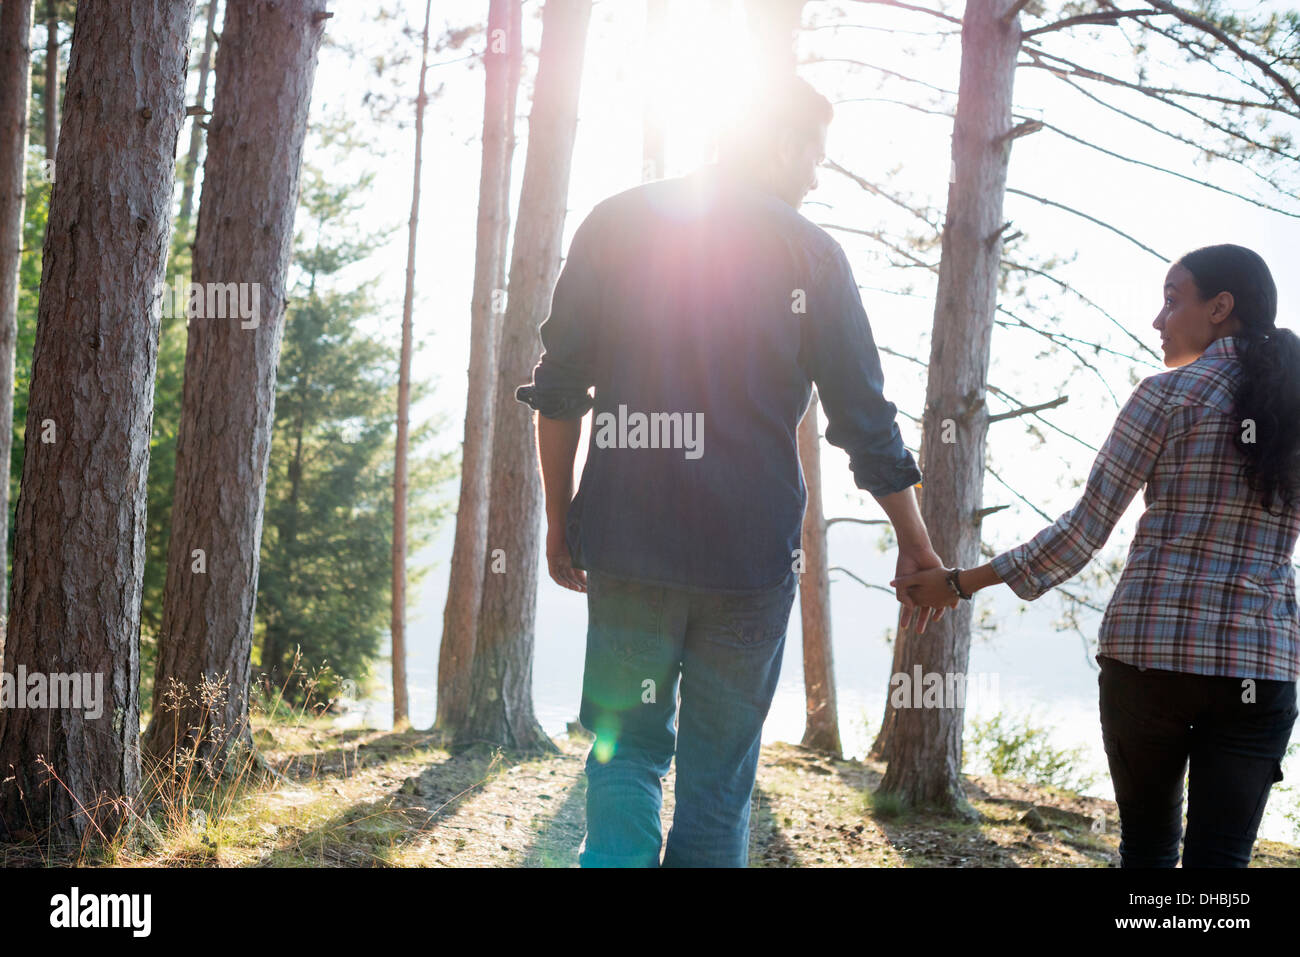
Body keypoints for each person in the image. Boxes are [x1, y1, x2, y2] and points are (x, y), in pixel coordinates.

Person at [515, 75, 943, 867]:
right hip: (750, 557)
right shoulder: (812, 255)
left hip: (629, 542)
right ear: (780, 144)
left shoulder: (617, 222)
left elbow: (560, 387)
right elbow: (865, 418)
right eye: (813, 155)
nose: (815, 176)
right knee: (717, 784)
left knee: (626, 748)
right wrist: (915, 542)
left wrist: (560, 516)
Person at [893, 244, 1300, 868]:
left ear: (1222, 307)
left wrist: (960, 583)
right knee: (1221, 865)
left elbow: (1084, 531)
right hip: (1258, 668)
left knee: (1147, 854)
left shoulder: (1167, 396)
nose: (1158, 321)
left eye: (1172, 300)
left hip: (1148, 662)